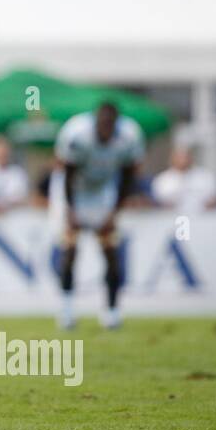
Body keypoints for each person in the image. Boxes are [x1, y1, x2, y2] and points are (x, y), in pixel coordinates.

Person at [53, 102, 144, 331]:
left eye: (109, 126)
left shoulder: (129, 137)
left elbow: (127, 176)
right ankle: (66, 311)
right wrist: (70, 210)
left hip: (104, 192)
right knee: (70, 250)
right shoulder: (77, 133)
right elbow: (68, 174)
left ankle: (112, 312)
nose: (105, 131)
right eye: (102, 126)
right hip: (74, 191)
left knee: (110, 253)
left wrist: (115, 212)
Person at [151, 144, 216, 214]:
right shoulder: (162, 179)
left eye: (185, 156)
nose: (183, 160)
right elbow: (159, 203)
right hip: (171, 220)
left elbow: (214, 199)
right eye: (179, 157)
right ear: (172, 158)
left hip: (203, 219)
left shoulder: (205, 177)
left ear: (191, 157)